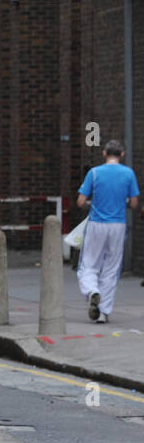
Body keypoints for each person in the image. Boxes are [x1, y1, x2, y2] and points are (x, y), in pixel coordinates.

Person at [76, 139, 139, 324]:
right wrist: (123, 202)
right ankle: (103, 312)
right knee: (111, 268)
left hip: (96, 223)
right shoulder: (128, 174)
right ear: (122, 154)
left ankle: (91, 290)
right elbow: (134, 203)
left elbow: (80, 201)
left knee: (88, 264)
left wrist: (92, 203)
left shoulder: (94, 173)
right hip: (118, 224)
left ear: (104, 153)